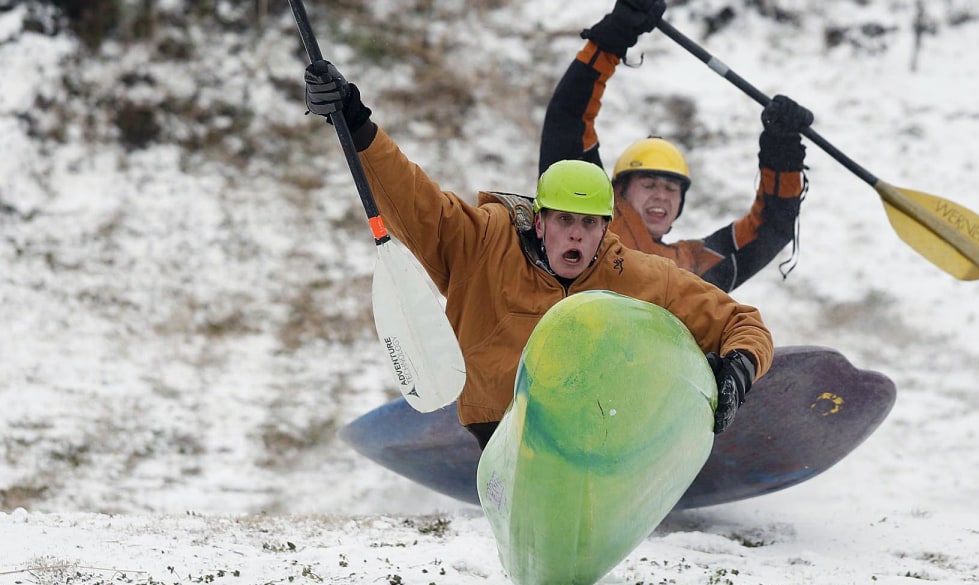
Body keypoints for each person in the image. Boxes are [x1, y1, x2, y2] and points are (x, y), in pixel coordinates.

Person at [304, 62, 774, 449]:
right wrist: (354, 120)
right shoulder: (481, 242)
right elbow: (411, 198)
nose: (576, 235)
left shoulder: (636, 273)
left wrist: (738, 371)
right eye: (565, 221)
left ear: (606, 228)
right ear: (540, 220)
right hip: (497, 427)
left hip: (596, 432)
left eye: (589, 223)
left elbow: (744, 324)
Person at [540, 0, 814, 292]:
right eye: (648, 184)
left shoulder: (693, 265)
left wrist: (781, 152)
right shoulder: (590, 226)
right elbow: (567, 121)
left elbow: (771, 227)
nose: (662, 196)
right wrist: (611, 40)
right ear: (618, 191)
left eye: (672, 189)